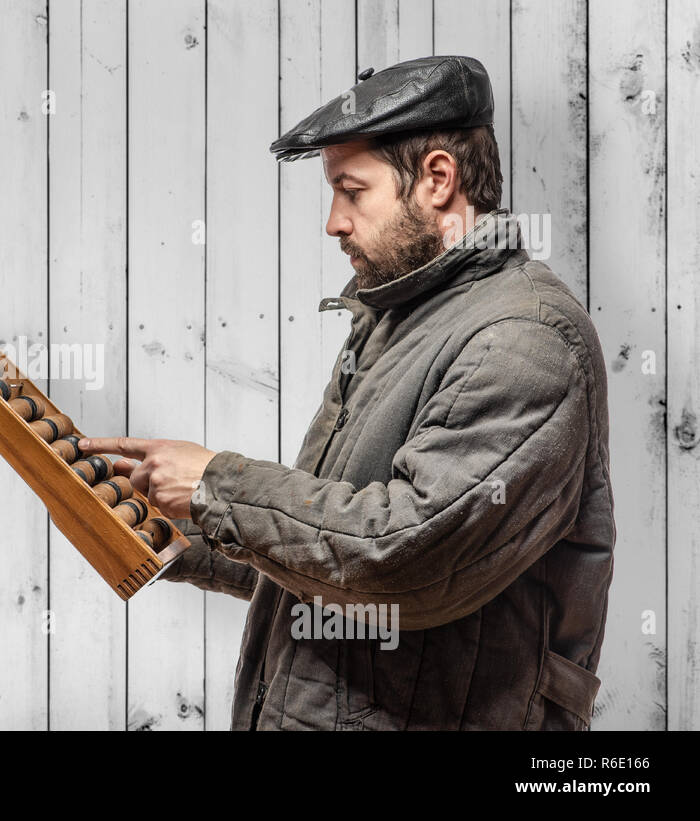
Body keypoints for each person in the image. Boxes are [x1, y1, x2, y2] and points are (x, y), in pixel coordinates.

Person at [78, 55, 615, 731]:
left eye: (351, 190)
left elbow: (404, 555)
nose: (333, 222)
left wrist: (217, 486)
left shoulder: (524, 339)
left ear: (438, 179)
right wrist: (175, 528)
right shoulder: (400, 318)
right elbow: (333, 553)